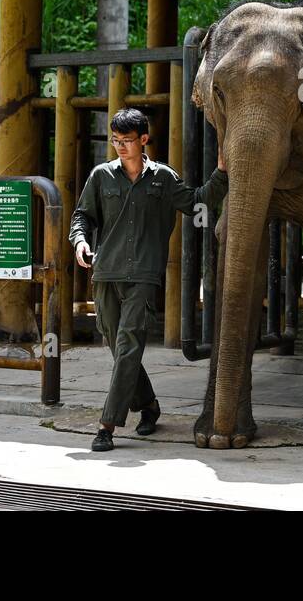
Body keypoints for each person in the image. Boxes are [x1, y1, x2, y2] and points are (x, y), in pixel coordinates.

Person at [70, 108, 228, 451]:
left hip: (144, 276)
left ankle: (106, 426)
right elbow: (82, 216)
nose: (120, 147)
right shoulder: (101, 176)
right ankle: (150, 405)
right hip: (105, 274)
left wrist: (222, 171)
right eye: (115, 141)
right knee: (120, 350)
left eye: (126, 141)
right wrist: (80, 241)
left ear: (144, 139)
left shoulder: (163, 179)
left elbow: (199, 200)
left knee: (128, 347)